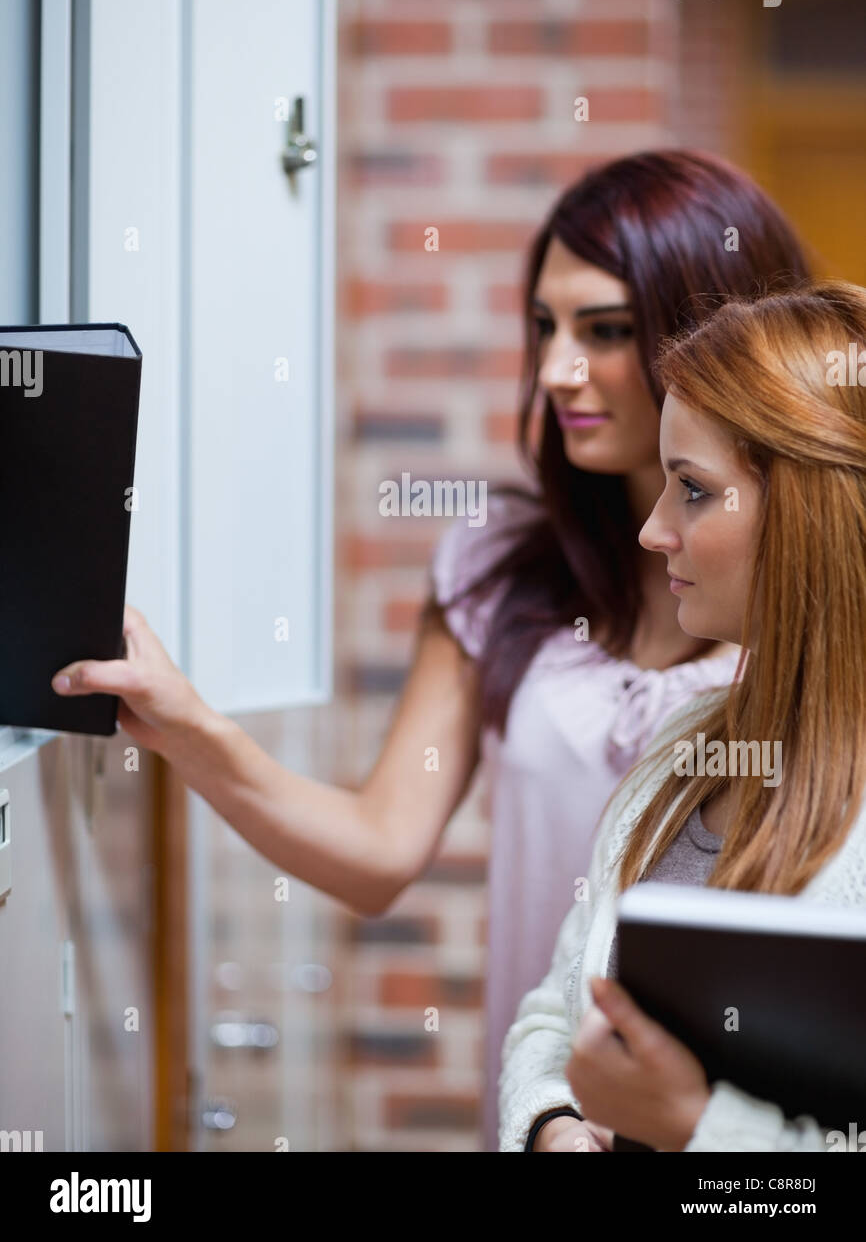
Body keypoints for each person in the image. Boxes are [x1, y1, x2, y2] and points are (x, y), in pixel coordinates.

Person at [50, 150, 809, 1150]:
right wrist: (189, 726)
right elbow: (377, 853)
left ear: (714, 333)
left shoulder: (806, 610)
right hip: (542, 1110)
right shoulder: (498, 569)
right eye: (543, 327)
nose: (554, 371)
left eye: (604, 330)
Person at [500, 280, 866, 1153]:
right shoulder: (681, 751)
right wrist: (549, 1121)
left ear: (811, 510)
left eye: (693, 490)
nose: (653, 530)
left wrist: (698, 1132)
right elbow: (556, 1011)